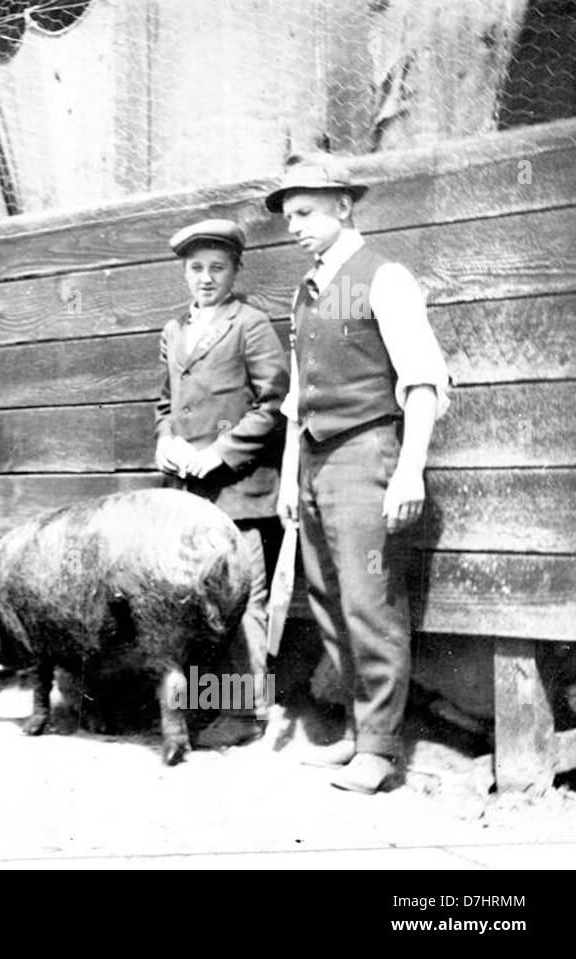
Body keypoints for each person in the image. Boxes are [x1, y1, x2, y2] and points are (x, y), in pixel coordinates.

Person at [267, 155, 451, 794]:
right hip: (315, 460)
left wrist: (409, 472)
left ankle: (380, 747)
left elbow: (423, 381)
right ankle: (354, 727)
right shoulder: (305, 291)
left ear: (344, 206)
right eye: (288, 216)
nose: (295, 226)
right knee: (326, 599)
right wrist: (291, 478)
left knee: (370, 601)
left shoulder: (383, 276)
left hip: (367, 453)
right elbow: (296, 401)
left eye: (307, 212)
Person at [155, 218, 288, 748]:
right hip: (189, 495)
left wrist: (221, 453)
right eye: (196, 269)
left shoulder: (250, 324)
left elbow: (274, 404)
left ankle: (251, 713)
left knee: (242, 603)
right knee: (199, 604)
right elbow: (164, 404)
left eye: (217, 268)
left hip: (241, 491)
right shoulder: (173, 330)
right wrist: (166, 440)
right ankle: (216, 708)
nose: (206, 279)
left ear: (235, 270)